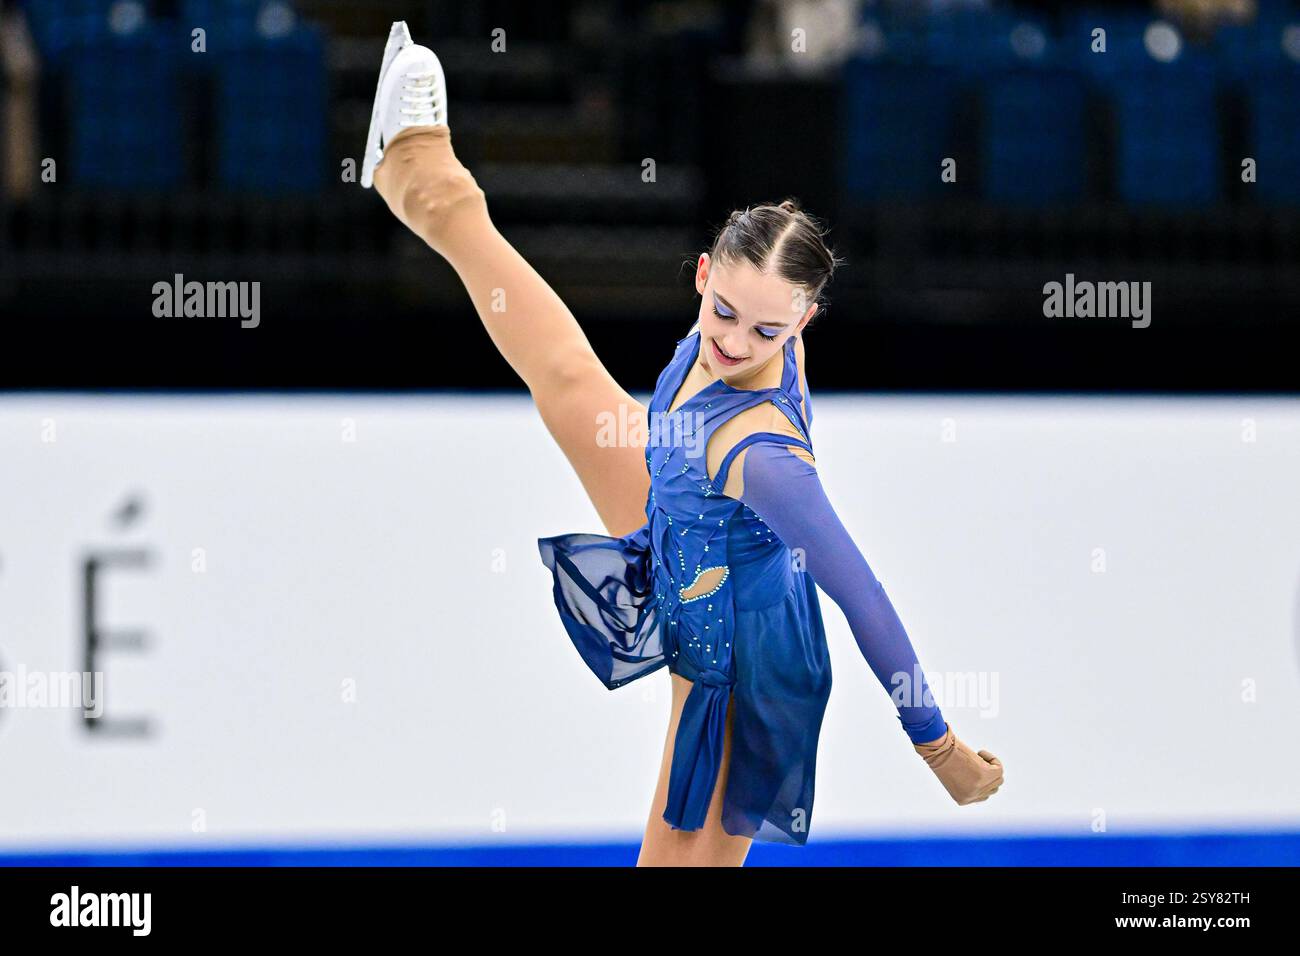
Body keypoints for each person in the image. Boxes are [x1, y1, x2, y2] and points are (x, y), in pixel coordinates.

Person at [362, 22, 1003, 867]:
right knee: (568, 380)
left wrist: (938, 745)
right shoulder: (744, 310)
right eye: (724, 312)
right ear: (704, 273)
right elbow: (782, 236)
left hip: (739, 659)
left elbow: (861, 592)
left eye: (767, 330)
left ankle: (427, 188)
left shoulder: (764, 456)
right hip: (681, 513)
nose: (734, 344)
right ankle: (424, 179)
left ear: (805, 324)